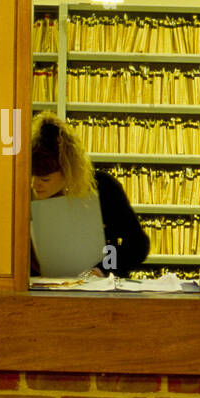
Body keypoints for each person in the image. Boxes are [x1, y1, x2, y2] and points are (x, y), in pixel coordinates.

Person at [29, 114, 150, 277]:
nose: (34, 185)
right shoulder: (24, 195)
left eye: (45, 178)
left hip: (99, 289)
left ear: (68, 171)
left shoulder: (103, 188)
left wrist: (104, 268)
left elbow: (137, 245)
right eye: (31, 176)